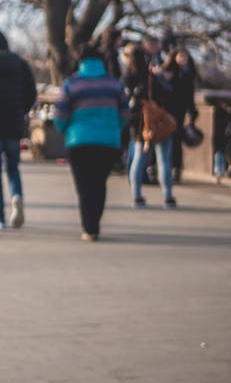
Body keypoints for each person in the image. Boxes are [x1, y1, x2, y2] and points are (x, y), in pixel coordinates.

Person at [53, 45, 130, 241]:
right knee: (99, 182)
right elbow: (124, 114)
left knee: (84, 185)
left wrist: (66, 130)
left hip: (79, 141)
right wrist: (114, 129)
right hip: (108, 141)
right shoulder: (114, 84)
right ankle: (94, 220)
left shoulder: (72, 84)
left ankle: (89, 227)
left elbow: (60, 114)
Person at [0, 30, 36, 230]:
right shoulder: (20, 63)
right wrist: (22, 110)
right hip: (14, 122)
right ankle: (16, 196)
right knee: (13, 167)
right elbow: (31, 92)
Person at [126, 45, 178, 208]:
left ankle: (136, 195)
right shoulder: (151, 77)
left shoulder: (127, 77)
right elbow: (169, 92)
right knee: (164, 161)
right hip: (158, 122)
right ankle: (168, 196)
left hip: (139, 123)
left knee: (138, 160)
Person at [167, 49, 199, 182]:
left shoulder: (189, 73)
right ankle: (161, 167)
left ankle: (176, 168)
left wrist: (192, 111)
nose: (183, 59)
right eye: (180, 56)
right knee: (166, 140)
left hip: (180, 111)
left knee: (176, 141)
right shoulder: (170, 72)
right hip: (169, 110)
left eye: (185, 57)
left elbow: (189, 95)